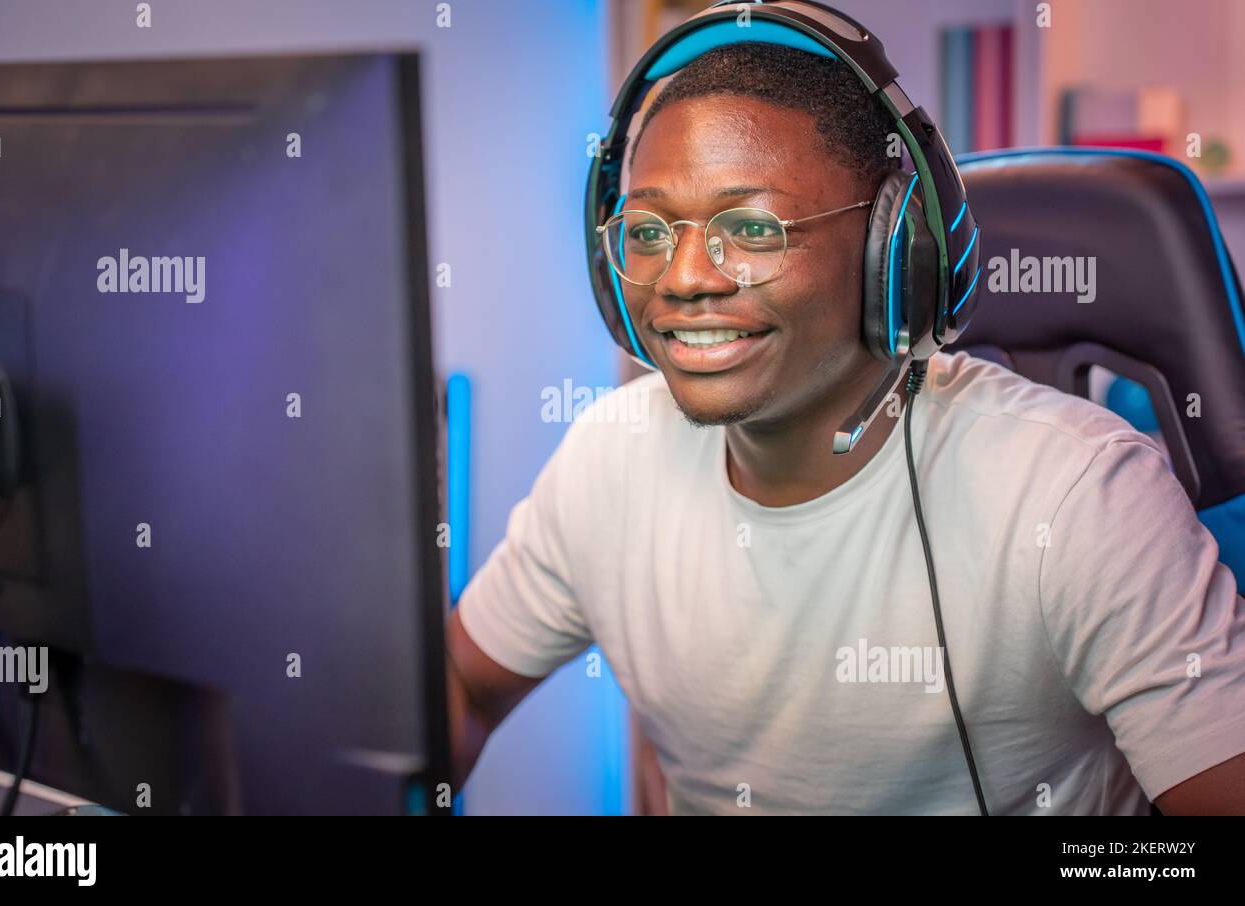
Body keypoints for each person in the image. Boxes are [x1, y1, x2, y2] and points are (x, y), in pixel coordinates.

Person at [445, 39, 1245, 815]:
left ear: (892, 251)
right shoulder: (607, 459)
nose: (684, 278)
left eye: (753, 230)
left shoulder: (1079, 496)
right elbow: (461, 690)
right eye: (649, 233)